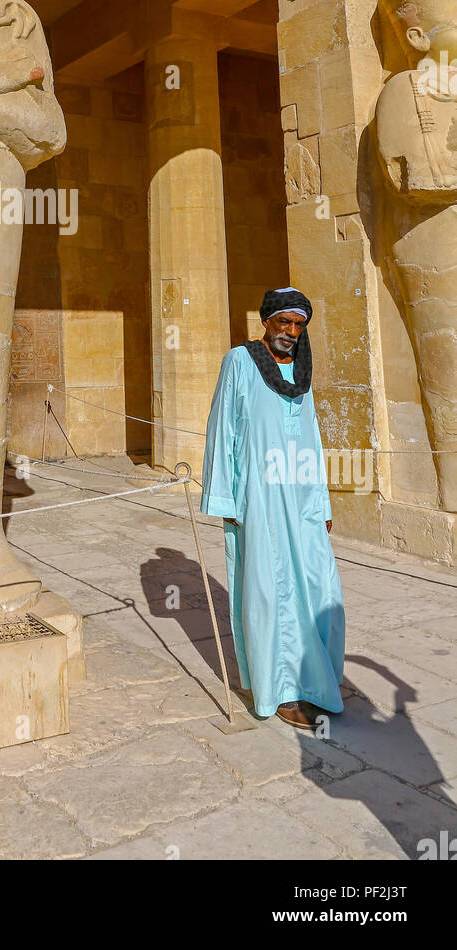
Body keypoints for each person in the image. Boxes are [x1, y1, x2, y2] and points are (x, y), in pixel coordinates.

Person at [200, 288, 345, 729]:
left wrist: (320, 499)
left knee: (321, 588)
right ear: (266, 321)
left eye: (298, 325)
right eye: (284, 322)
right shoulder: (240, 362)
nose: (291, 332)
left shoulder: (303, 370)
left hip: (301, 496)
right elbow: (222, 429)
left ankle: (318, 683)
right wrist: (226, 499)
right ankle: (281, 691)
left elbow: (314, 437)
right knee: (272, 592)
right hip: (259, 500)